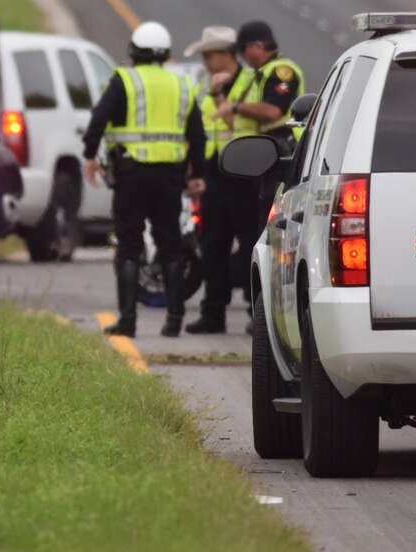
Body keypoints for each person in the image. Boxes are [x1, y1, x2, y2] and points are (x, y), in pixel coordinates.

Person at [83, 21, 206, 338]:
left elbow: (98, 119)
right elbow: (198, 134)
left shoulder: (124, 80)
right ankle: (174, 320)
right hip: (169, 176)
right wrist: (199, 174)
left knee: (128, 246)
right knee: (171, 247)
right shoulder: (181, 84)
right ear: (165, 54)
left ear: (133, 51)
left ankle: (128, 320)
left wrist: (89, 156)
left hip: (131, 174)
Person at [182, 26, 259, 335]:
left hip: (244, 174)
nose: (204, 62)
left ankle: (258, 313)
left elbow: (235, 122)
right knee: (213, 245)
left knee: (252, 244)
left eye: (208, 55)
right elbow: (204, 130)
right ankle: (213, 313)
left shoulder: (248, 82)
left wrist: (219, 95)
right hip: (215, 173)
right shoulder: (208, 83)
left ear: (226, 54)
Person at [234, 20, 305, 334]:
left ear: (257, 46)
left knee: (272, 233)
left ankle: (268, 312)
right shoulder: (261, 73)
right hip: (268, 157)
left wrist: (236, 107)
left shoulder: (281, 71)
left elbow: (273, 112)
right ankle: (260, 309)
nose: (245, 58)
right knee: (259, 232)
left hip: (281, 154)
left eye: (245, 51)